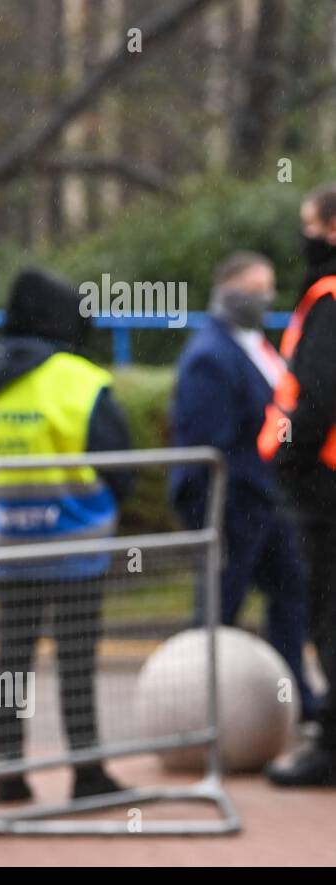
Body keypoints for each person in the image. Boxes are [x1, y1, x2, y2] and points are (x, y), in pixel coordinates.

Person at [0, 267, 133, 804]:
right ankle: (87, 772)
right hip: (77, 546)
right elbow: (121, 463)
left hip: (11, 547)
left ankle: (9, 773)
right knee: (76, 660)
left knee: (12, 659)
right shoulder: (77, 379)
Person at [168, 251, 318, 721]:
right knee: (221, 603)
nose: (264, 299)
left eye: (268, 289)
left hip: (267, 500)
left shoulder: (258, 345)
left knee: (290, 592)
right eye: (255, 290)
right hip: (234, 503)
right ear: (228, 292)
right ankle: (201, 708)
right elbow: (207, 444)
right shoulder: (210, 356)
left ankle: (295, 692)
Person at [258, 184, 336, 787]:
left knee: (328, 615)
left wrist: (289, 458)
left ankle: (330, 748)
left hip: (325, 483)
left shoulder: (329, 297)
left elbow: (314, 400)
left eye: (311, 225)